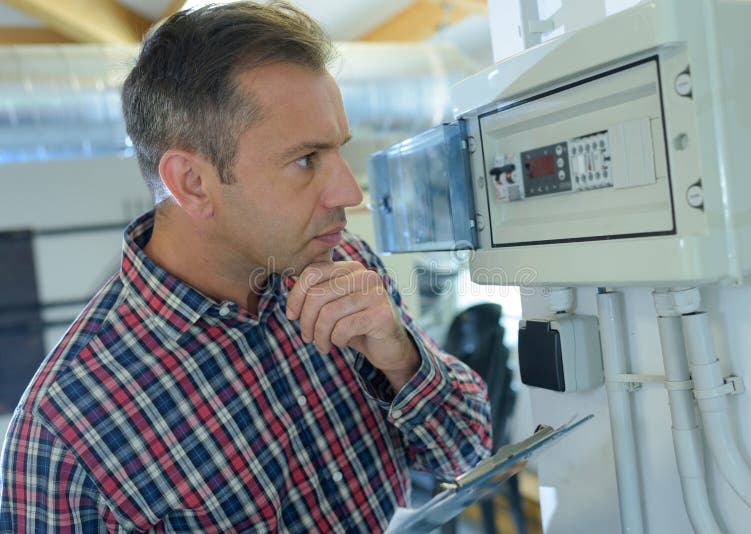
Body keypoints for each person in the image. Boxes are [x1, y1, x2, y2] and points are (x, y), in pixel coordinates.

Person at [0, 2, 491, 532]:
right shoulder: (63, 435)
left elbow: (466, 452)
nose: (350, 193)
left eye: (338, 152)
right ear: (192, 183)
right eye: (306, 159)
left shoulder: (344, 267)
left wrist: (402, 358)